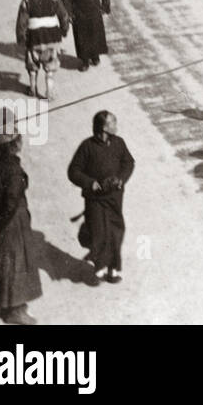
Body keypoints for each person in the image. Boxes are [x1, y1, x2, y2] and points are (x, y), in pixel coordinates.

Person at [0, 133, 42, 324]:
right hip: (13, 222)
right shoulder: (13, 169)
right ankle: (15, 311)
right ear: (15, 144)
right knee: (17, 263)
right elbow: (12, 201)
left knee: (2, 262)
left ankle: (1, 304)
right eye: (19, 139)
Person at [67, 111, 135, 284]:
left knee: (115, 232)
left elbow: (129, 162)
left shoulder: (119, 143)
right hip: (95, 200)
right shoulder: (87, 147)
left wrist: (121, 179)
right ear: (104, 127)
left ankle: (113, 269)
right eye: (113, 122)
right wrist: (90, 183)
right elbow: (73, 171)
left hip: (114, 198)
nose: (116, 125)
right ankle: (99, 266)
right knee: (99, 233)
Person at [16, 0, 69, 100]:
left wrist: (21, 36)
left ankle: (33, 88)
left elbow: (22, 20)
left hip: (34, 36)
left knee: (32, 62)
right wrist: (64, 29)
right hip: (52, 35)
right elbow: (63, 15)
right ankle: (49, 92)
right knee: (50, 64)